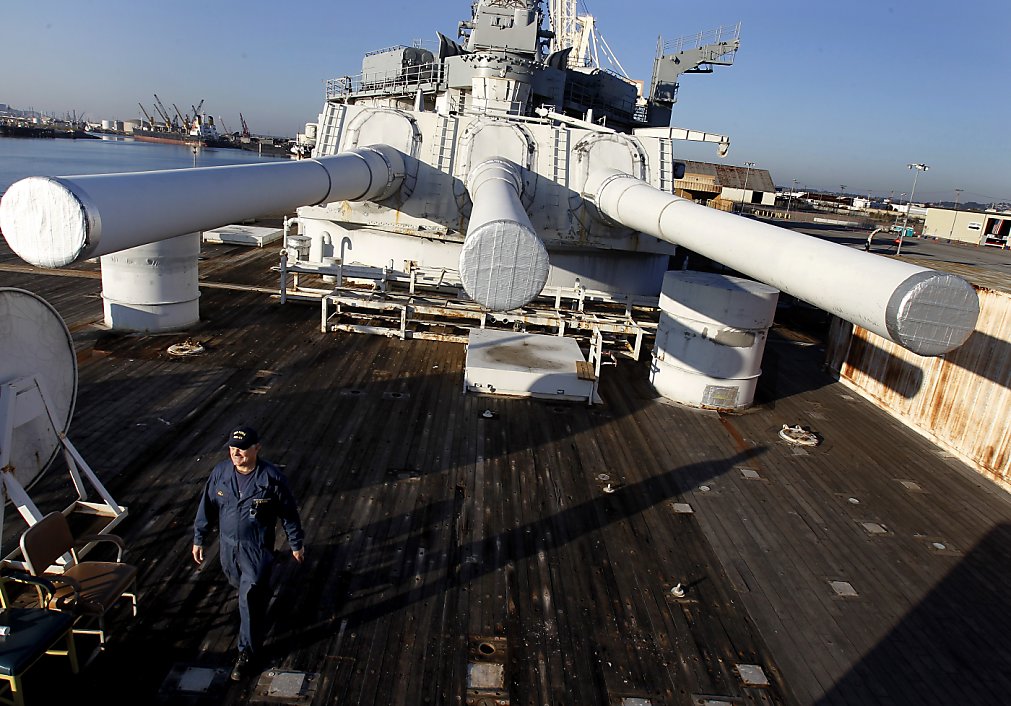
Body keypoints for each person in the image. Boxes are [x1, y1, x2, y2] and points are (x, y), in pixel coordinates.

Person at [192, 426, 305, 681]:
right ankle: (257, 602)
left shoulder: (271, 479)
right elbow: (207, 507)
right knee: (239, 585)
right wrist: (199, 538)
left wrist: (296, 544)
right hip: (228, 548)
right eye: (232, 447)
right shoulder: (220, 473)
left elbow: (289, 515)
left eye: (242, 448)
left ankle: (247, 653)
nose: (236, 452)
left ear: (257, 448)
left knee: (250, 596)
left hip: (256, 549)